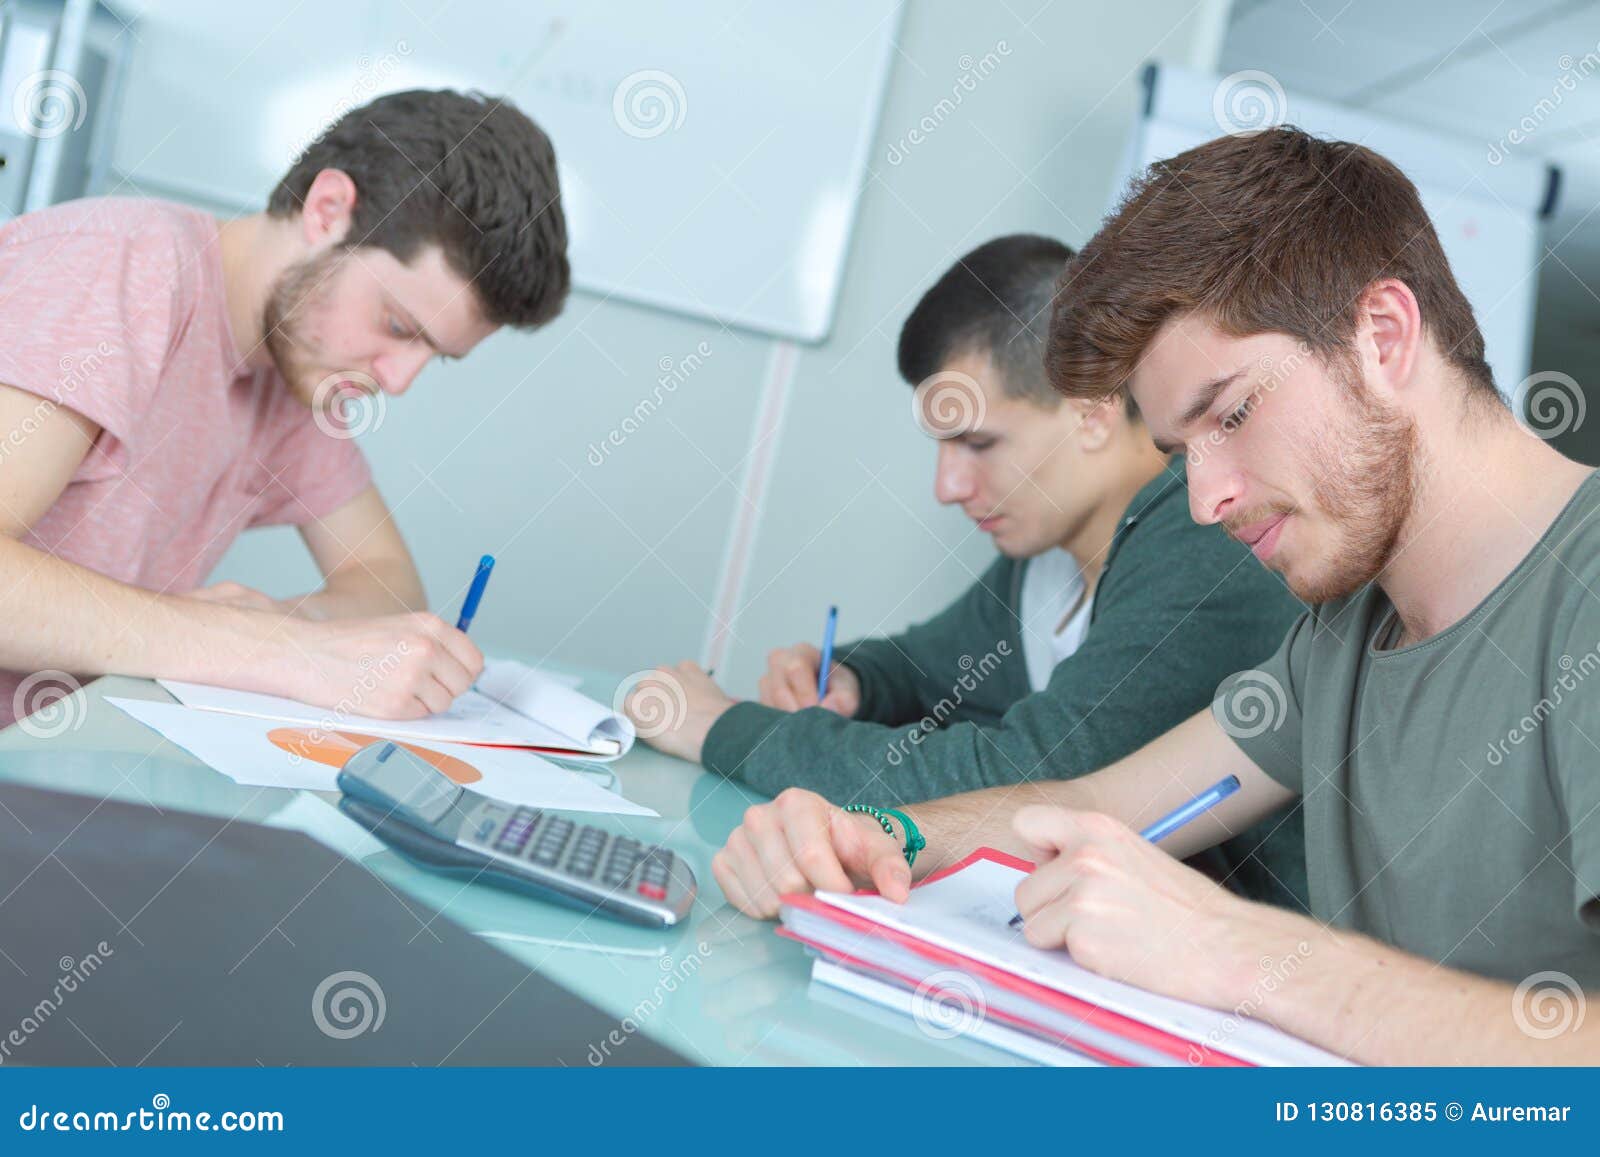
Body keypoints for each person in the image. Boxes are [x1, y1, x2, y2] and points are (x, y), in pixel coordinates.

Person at [709, 127, 1600, 1064]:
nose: (1206, 500)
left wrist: (1239, 950)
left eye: (1232, 413)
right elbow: (1100, 802)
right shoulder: (1346, 626)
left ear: (1382, 335)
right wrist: (876, 834)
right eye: (1181, 451)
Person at [629, 235, 1307, 908]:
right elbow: (927, 668)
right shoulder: (1051, 553)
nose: (948, 486)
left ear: (1094, 411)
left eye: (978, 443)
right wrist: (855, 681)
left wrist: (720, 726)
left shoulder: (1204, 545)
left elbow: (1016, 782)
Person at [0, 89, 569, 726]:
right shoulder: (118, 266)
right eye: (397, 325)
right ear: (328, 211)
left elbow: (387, 583)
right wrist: (269, 650)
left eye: (434, 356)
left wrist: (289, 626)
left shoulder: (293, 368)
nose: (398, 380)